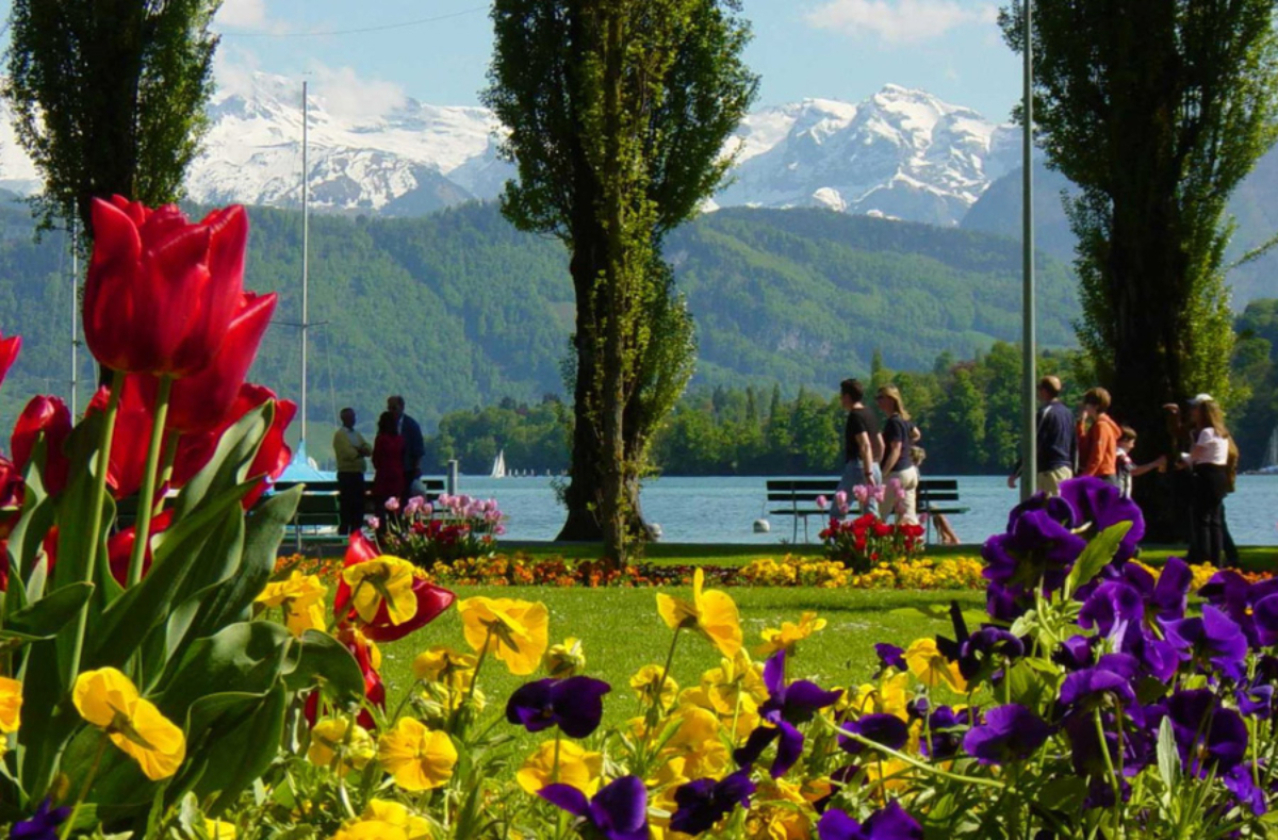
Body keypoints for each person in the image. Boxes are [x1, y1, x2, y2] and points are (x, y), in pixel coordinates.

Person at [1180, 395, 1237, 566]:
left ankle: (1204, 559)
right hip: (1219, 476)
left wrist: (1182, 459)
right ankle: (1216, 560)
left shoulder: (1206, 432)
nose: (1192, 412)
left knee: (1202, 520)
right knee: (1215, 521)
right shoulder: (1222, 433)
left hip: (1206, 475)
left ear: (1203, 413)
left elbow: (1194, 456)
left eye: (1195, 409)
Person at [1007, 375, 1077, 496]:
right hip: (1066, 471)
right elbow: (1074, 445)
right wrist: (1074, 471)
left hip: (1049, 472)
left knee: (1047, 511)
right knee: (1063, 510)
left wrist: (1016, 472)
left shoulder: (1045, 413)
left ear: (1044, 391)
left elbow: (1034, 444)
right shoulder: (1068, 413)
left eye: (1039, 389)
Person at [836, 378, 883, 514]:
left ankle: (838, 534)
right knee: (871, 511)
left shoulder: (854, 416)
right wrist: (875, 465)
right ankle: (875, 535)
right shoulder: (870, 414)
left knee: (838, 510)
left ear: (847, 397)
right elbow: (881, 444)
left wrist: (867, 472)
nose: (841, 400)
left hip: (858, 467)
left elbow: (865, 445)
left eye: (842, 396)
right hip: (874, 466)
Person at [876, 384, 918, 524]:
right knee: (907, 517)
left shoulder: (893, 422)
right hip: (910, 472)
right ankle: (914, 544)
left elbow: (896, 449)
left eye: (880, 397)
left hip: (897, 474)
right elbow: (917, 434)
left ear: (890, 399)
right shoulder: (904, 420)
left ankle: (872, 543)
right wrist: (907, 443)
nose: (877, 401)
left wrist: (882, 474)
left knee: (878, 514)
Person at [332, 408, 371, 535]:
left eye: (353, 417)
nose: (353, 419)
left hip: (358, 474)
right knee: (347, 507)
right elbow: (348, 454)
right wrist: (360, 451)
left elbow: (368, 448)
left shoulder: (357, 434)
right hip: (347, 475)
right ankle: (344, 533)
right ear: (344, 419)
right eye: (350, 417)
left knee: (358, 507)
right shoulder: (340, 435)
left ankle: (356, 532)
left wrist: (359, 449)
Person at [912, 445, 959, 545]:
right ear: (919, 459)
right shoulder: (914, 471)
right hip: (915, 503)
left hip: (907, 501)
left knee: (935, 509)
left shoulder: (904, 470)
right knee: (937, 511)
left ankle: (945, 537)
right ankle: (953, 538)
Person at [1077, 387, 1121, 486]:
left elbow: (1097, 456)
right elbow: (1083, 445)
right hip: (1101, 476)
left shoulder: (1101, 426)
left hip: (1103, 477)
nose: (1084, 406)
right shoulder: (1098, 424)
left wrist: (1084, 478)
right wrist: (1081, 422)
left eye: (1087, 403)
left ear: (1096, 406)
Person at [388, 395, 426, 498]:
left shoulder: (411, 425)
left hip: (408, 470)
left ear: (402, 407)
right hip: (392, 471)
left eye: (394, 408)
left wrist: (417, 467)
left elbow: (419, 449)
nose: (391, 411)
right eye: (389, 408)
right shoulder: (386, 425)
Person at [1115, 426, 1165, 499]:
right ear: (1124, 441)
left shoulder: (1112, 453)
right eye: (1131, 443)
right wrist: (1156, 463)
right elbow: (1134, 470)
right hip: (1120, 495)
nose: (1132, 446)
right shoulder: (1121, 455)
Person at [371, 411, 406, 513]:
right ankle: (395, 526)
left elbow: (375, 459)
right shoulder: (400, 440)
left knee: (380, 507)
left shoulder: (381, 439)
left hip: (383, 476)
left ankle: (381, 527)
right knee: (395, 507)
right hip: (397, 477)